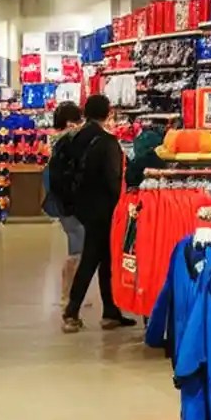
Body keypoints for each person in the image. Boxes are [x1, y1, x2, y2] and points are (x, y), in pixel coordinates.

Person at [61, 94, 135, 332]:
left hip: (81, 206)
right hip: (104, 209)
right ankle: (72, 311)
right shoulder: (107, 142)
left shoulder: (75, 138)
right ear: (108, 112)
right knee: (94, 258)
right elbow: (113, 178)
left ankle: (111, 311)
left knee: (105, 259)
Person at [43, 101, 86, 310]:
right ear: (70, 122)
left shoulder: (56, 142)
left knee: (77, 247)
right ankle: (67, 294)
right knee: (77, 249)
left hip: (62, 203)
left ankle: (71, 293)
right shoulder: (68, 143)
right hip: (70, 204)